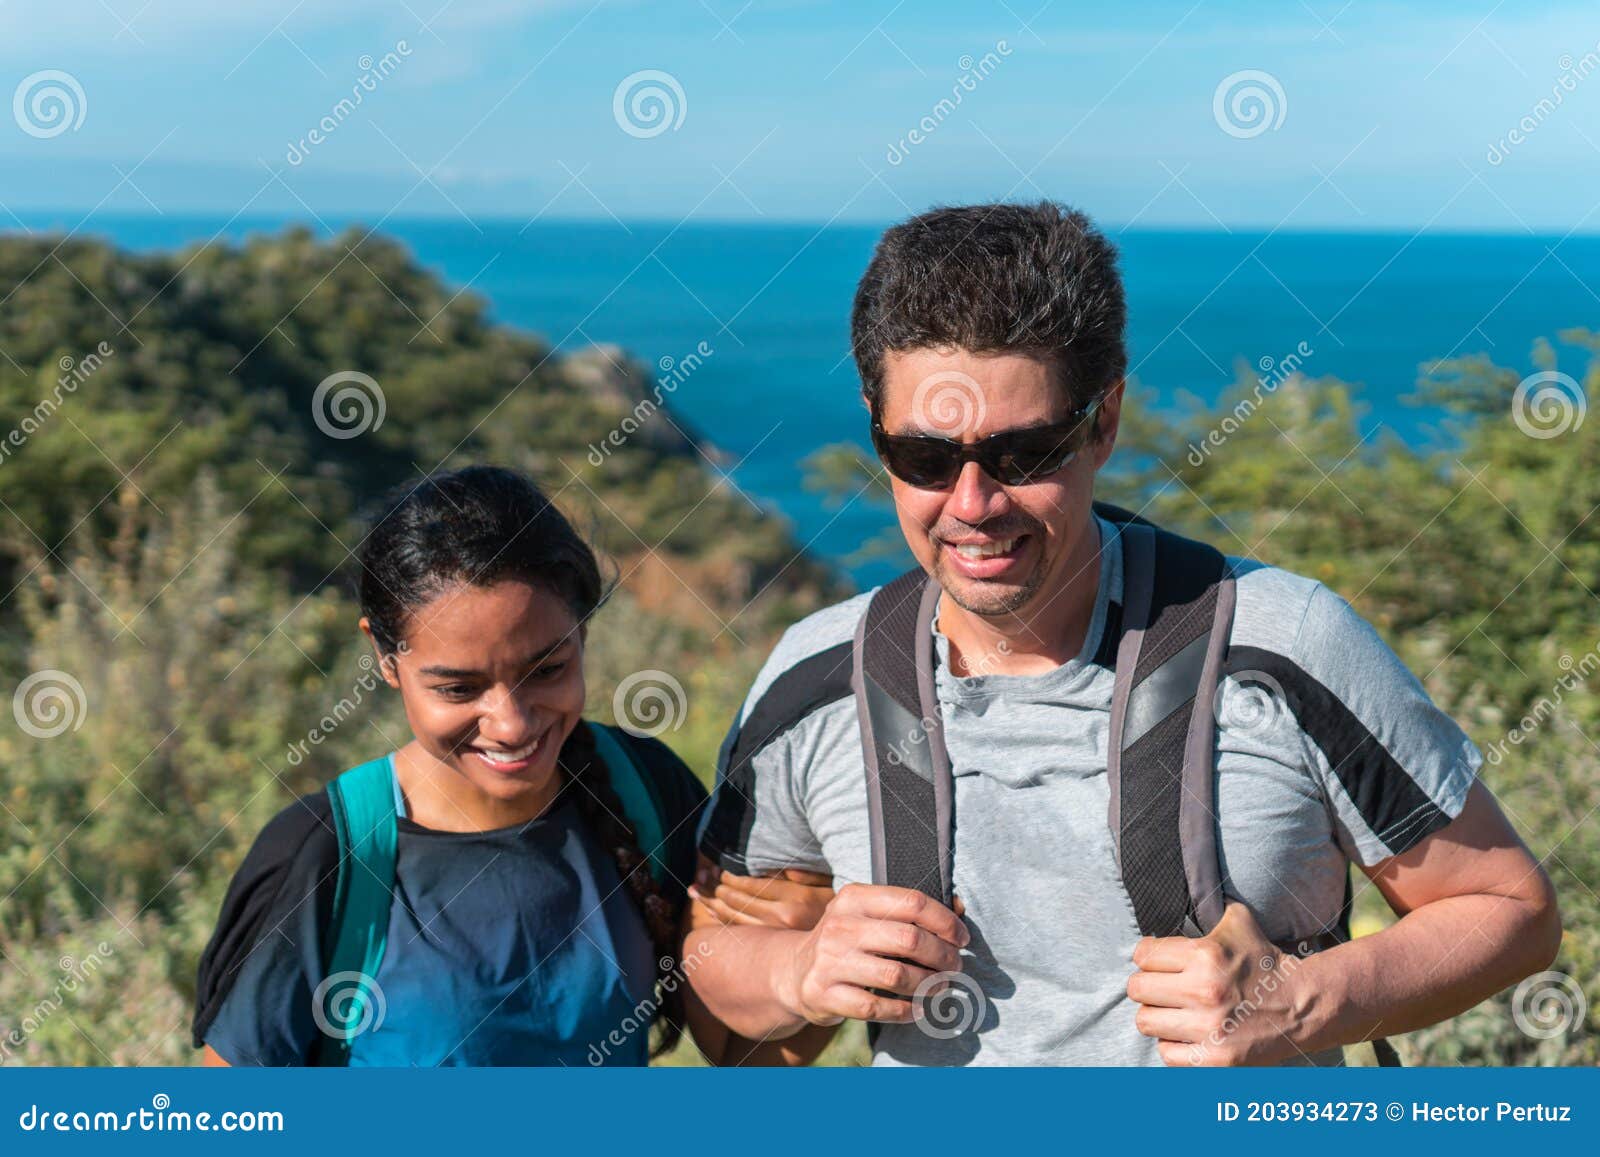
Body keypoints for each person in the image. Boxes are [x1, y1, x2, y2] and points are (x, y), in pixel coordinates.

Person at [684, 201, 1563, 1066]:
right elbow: (712, 988)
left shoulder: (1283, 643)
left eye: (1024, 454)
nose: (972, 503)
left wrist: (1303, 1001)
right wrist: (801, 968)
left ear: (1103, 421)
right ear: (877, 433)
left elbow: (1511, 908)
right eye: (926, 457)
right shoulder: (819, 673)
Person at [192, 465, 831, 1066]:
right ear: (386, 660)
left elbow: (739, 1052)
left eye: (547, 671)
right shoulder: (325, 856)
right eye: (457, 688)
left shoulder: (645, 788)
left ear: (583, 633)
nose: (513, 724)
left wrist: (813, 965)